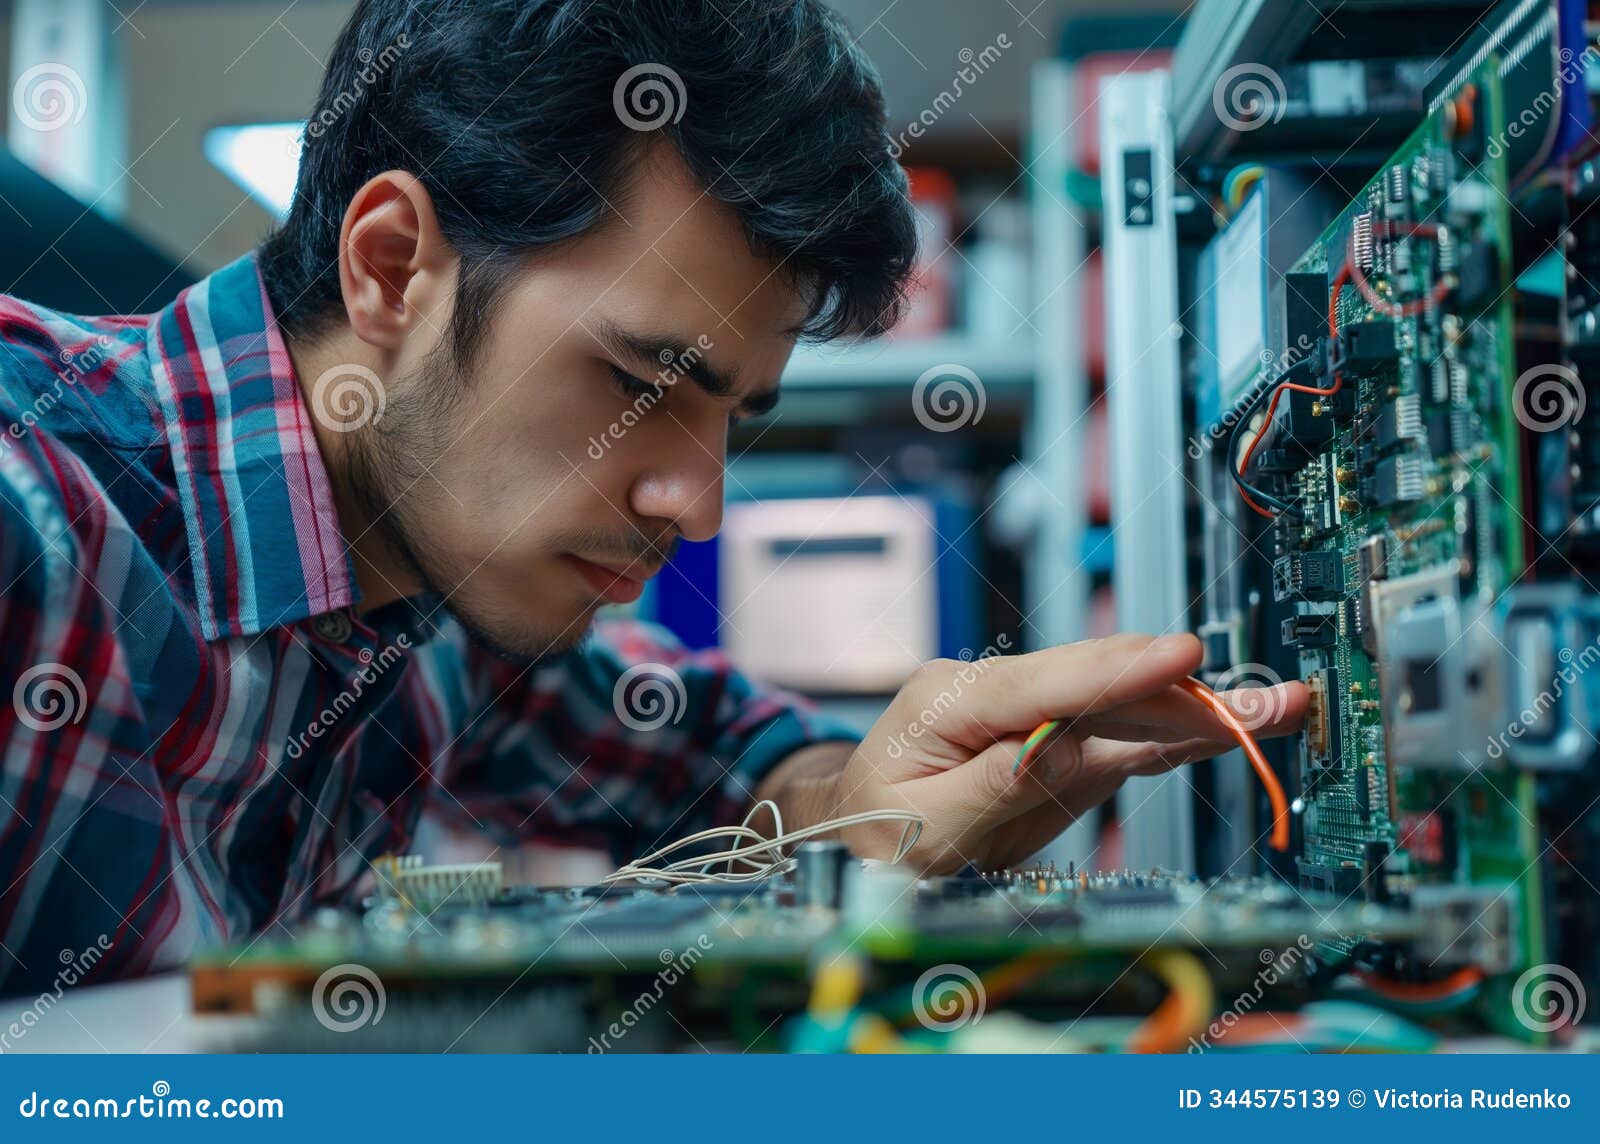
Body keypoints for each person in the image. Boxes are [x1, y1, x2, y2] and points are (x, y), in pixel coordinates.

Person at [0, 0, 1304, 994]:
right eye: (645, 378)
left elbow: (721, 764)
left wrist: (877, 804)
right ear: (394, 268)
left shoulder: (432, 598)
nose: (698, 506)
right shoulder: (34, 516)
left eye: (735, 416)